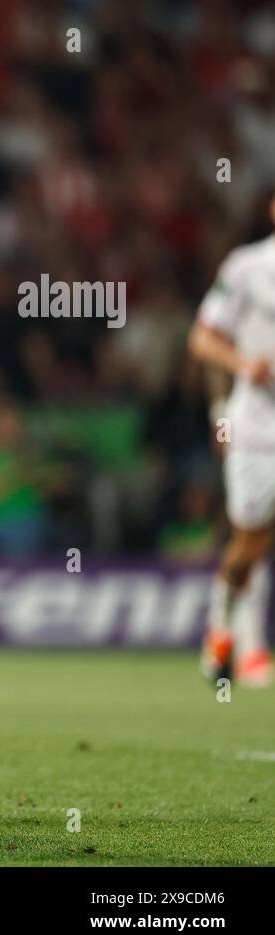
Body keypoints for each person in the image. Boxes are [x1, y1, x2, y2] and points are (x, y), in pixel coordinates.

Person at [187, 193, 275, 688]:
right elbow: (202, 339)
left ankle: (254, 651)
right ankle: (222, 628)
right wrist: (244, 366)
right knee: (251, 544)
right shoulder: (246, 268)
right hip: (259, 431)